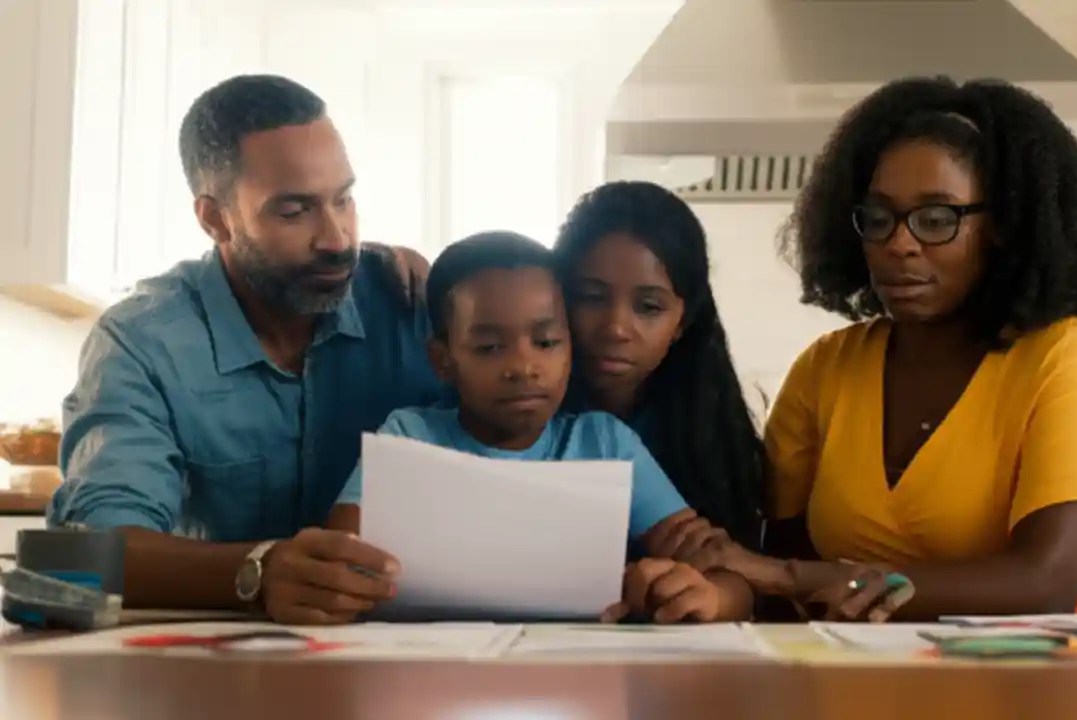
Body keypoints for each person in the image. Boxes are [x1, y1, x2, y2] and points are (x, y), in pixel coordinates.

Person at [685, 77, 1077, 621]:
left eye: (935, 219)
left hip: (1023, 689)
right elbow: (784, 583)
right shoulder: (824, 369)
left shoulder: (1064, 351)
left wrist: (818, 578)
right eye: (878, 218)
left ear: (1002, 226)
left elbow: (1046, 581)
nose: (898, 243)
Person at [50, 74, 440, 625]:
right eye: (293, 211)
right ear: (214, 218)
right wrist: (258, 570)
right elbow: (94, 551)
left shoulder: (407, 305)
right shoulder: (142, 342)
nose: (336, 238)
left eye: (343, 199)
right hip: (214, 674)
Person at [328, 231, 753, 624]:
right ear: (443, 360)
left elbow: (724, 575)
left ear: (571, 348)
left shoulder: (605, 443)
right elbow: (340, 555)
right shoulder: (410, 437)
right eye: (491, 347)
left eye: (546, 342)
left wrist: (712, 597)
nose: (524, 368)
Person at [553, 181, 766, 550]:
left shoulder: (711, 439)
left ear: (683, 322)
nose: (616, 328)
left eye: (648, 307)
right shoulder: (505, 407)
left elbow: (735, 575)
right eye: (591, 297)